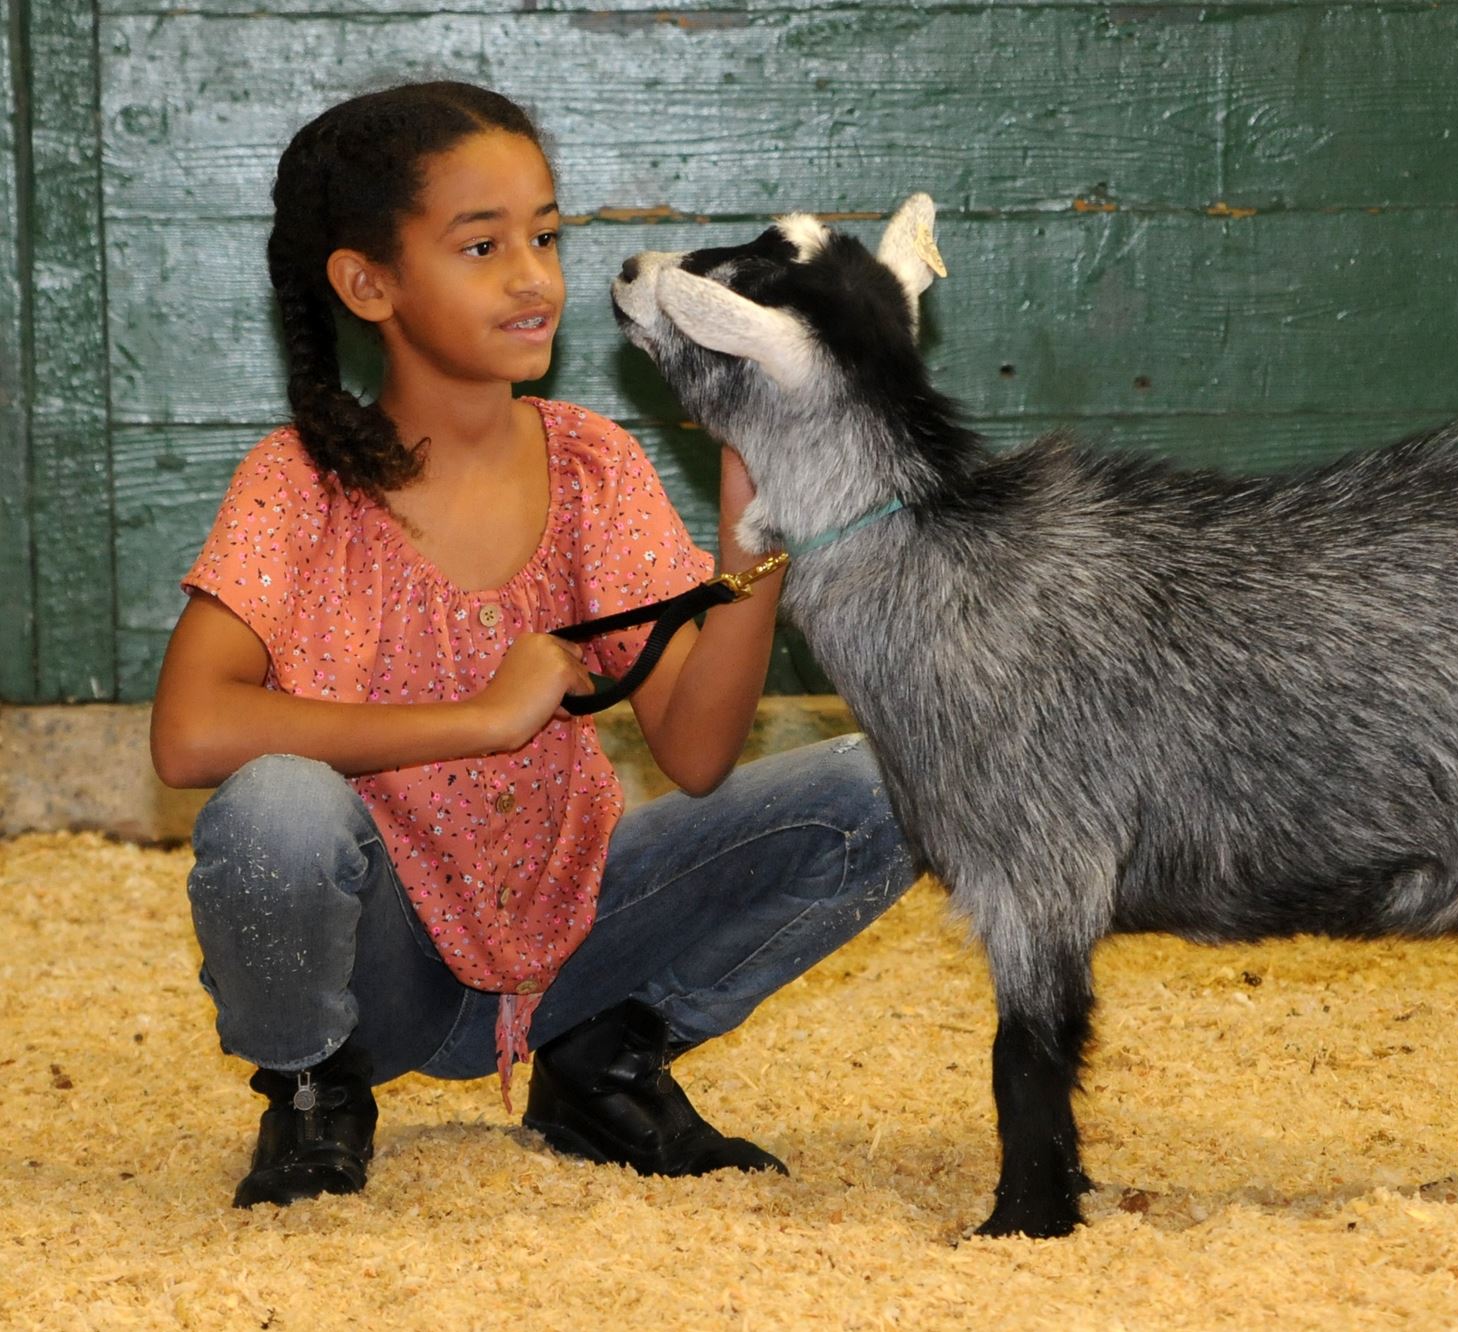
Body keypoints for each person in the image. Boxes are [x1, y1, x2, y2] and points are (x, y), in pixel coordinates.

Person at [149, 81, 914, 1208]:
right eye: (482, 246)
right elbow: (188, 731)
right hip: (381, 974)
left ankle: (602, 1060)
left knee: (893, 784)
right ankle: (314, 1087)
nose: (533, 278)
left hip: (575, 938)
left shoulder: (594, 463)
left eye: (545, 238)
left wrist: (753, 515)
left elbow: (697, 754)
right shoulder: (298, 480)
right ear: (367, 285)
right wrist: (478, 718)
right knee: (275, 807)